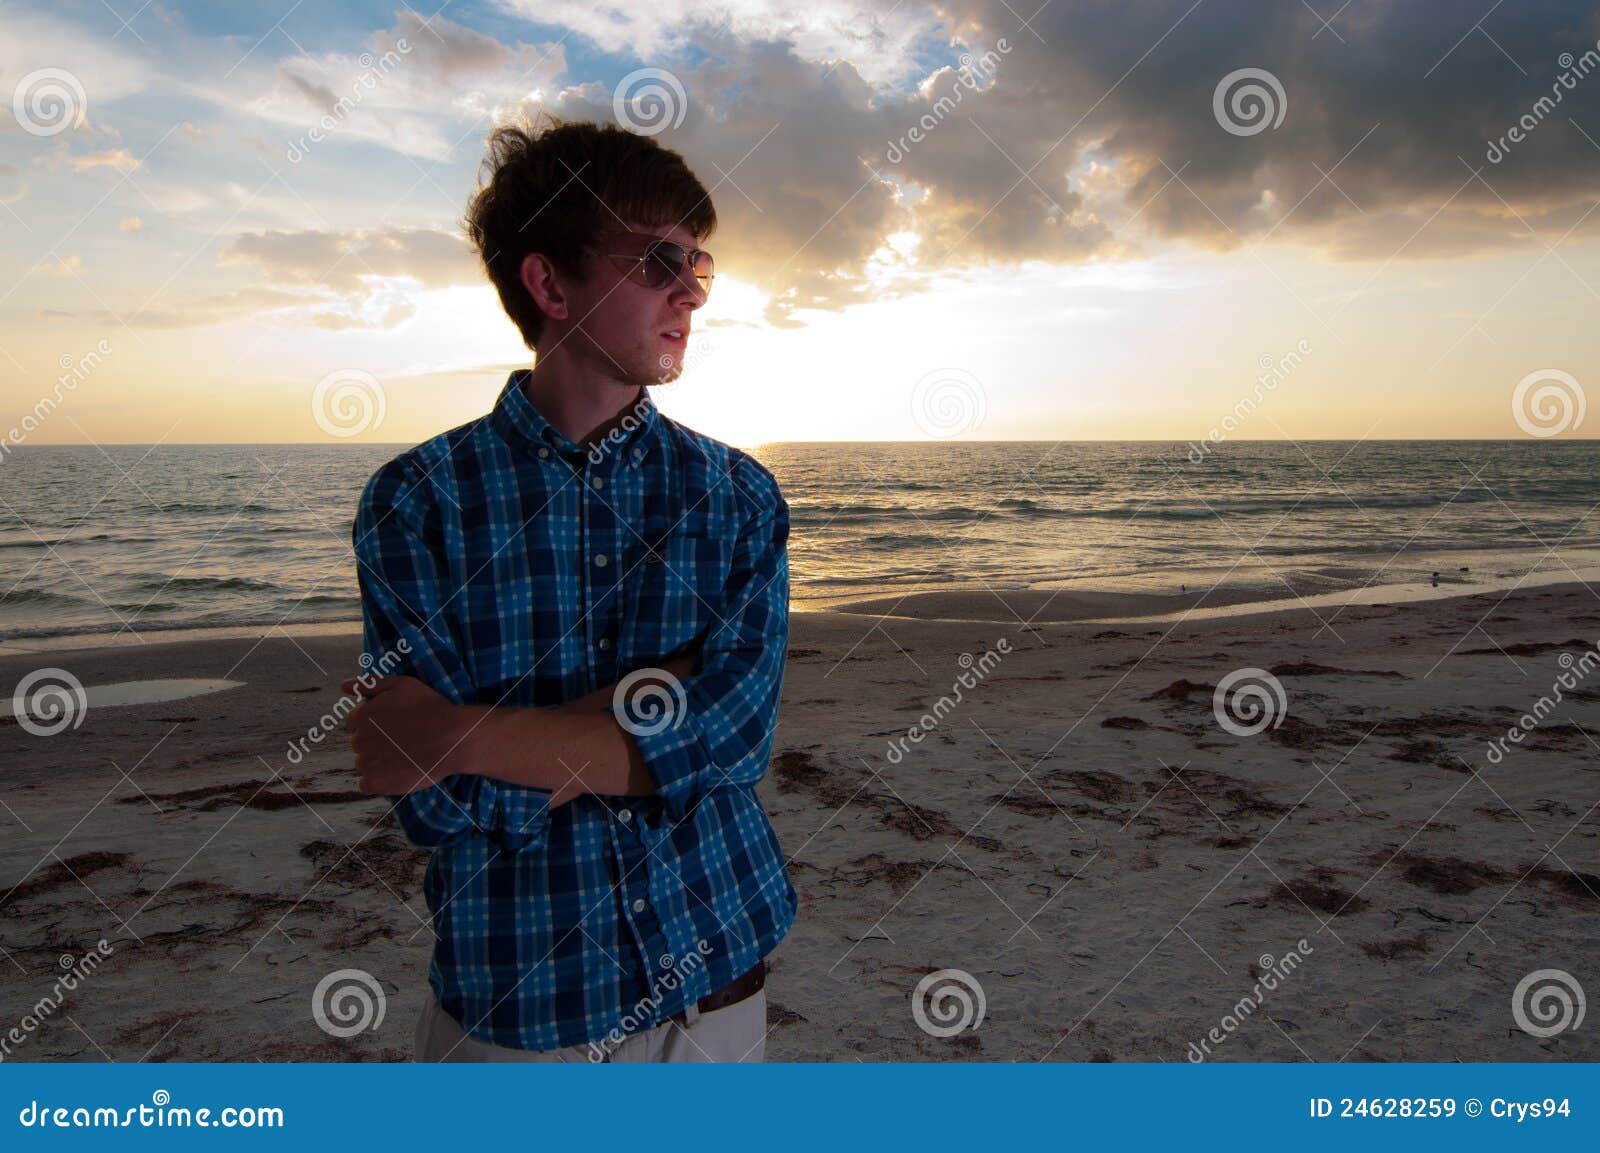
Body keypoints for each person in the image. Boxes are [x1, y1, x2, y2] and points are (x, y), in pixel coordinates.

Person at [342, 117, 796, 1063]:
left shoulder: (738, 495)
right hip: (524, 1009)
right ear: (551, 283)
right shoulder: (419, 501)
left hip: (720, 980)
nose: (690, 294)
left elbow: (735, 739)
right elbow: (428, 806)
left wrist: (457, 734)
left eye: (700, 268)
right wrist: (648, 718)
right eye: (659, 262)